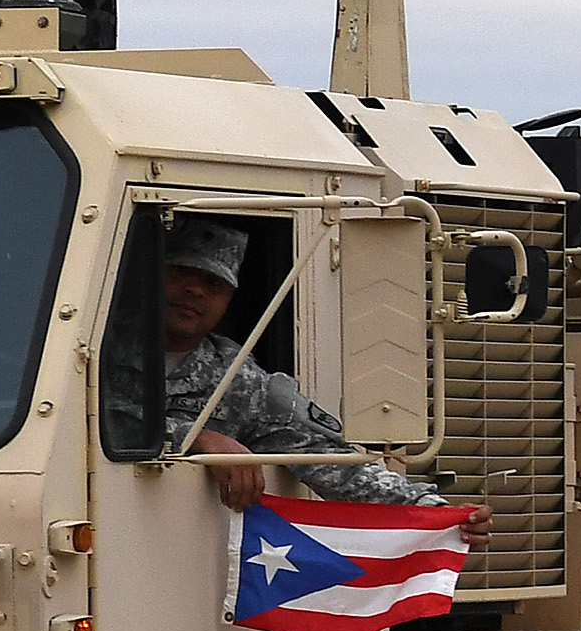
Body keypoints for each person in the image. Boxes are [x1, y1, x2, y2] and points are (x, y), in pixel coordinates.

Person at [117, 216, 492, 548]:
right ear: (153, 275)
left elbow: (333, 460)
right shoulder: (97, 347)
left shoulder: (239, 382)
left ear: (229, 299)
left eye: (214, 284)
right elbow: (82, 422)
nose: (196, 291)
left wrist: (435, 512)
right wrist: (194, 438)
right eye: (182, 273)